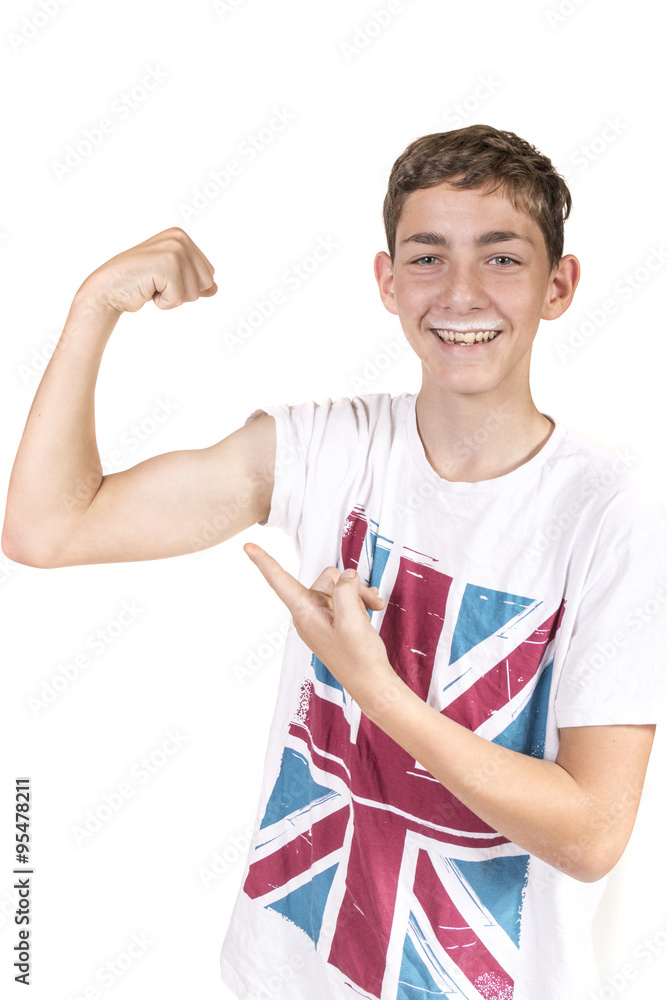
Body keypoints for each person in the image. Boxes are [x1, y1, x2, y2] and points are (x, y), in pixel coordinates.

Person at [3, 124, 666, 1000]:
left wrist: (375, 688)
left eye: (502, 259)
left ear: (559, 285)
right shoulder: (330, 447)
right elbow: (49, 529)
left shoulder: (612, 513)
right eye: (426, 258)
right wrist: (95, 306)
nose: (461, 292)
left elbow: (590, 836)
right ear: (387, 283)